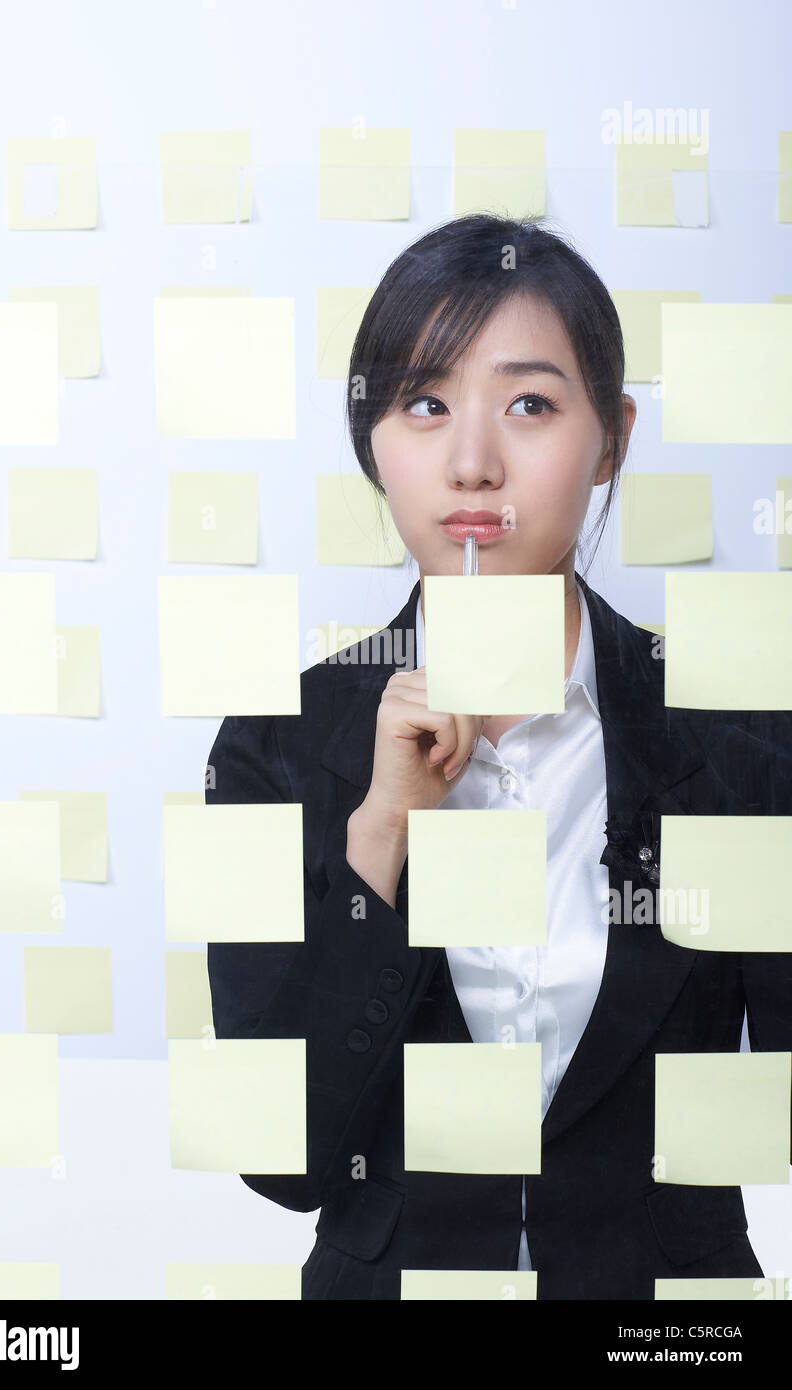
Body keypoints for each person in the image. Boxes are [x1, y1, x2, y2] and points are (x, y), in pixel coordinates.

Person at [205, 213, 792, 1300]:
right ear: (373, 438)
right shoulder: (272, 747)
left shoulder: (734, 729)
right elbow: (280, 1156)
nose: (473, 462)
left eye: (530, 403)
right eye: (425, 404)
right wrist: (383, 831)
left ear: (610, 435)